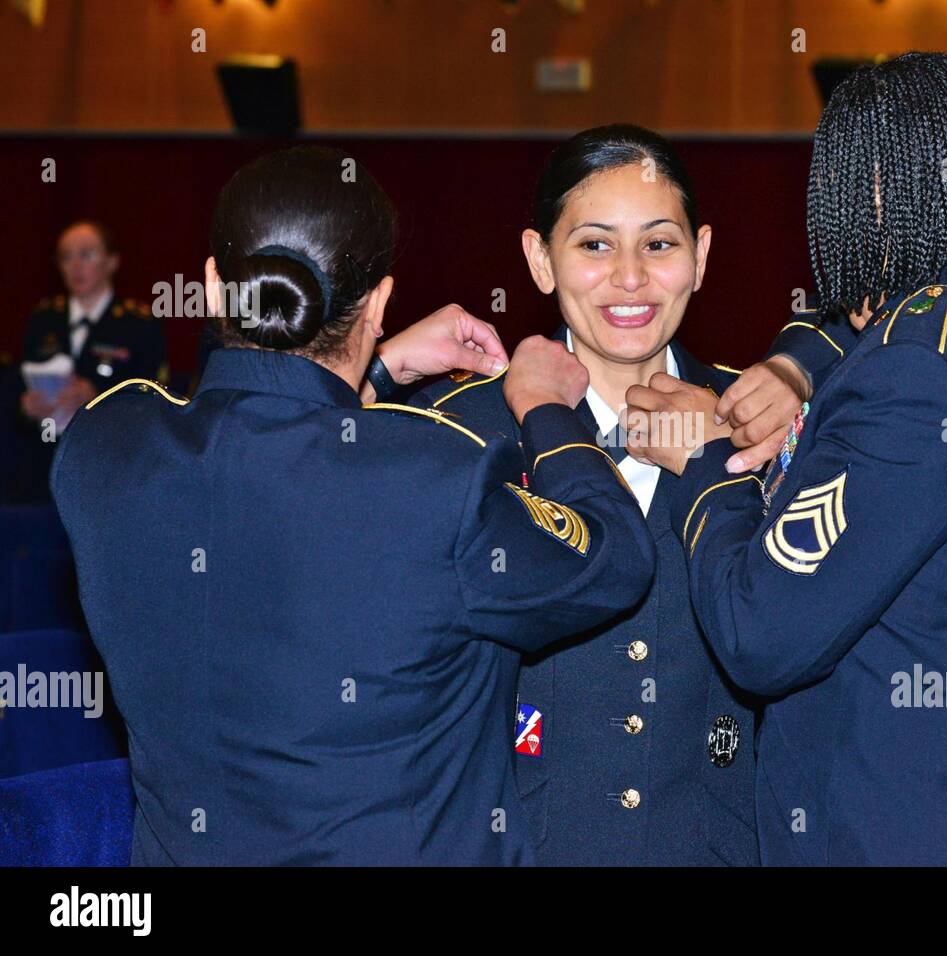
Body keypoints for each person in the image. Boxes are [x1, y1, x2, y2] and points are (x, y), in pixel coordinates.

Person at [50, 146, 655, 866]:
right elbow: (615, 559)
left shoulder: (102, 450)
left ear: (214, 286)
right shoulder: (441, 481)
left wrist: (377, 365)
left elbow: (275, 451)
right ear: (377, 300)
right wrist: (546, 410)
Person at [627, 53, 947, 865]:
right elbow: (868, 324)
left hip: (893, 821)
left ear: (873, 194)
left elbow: (761, 632)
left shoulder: (914, 372)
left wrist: (708, 462)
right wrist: (797, 368)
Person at [399, 125, 807, 865]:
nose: (629, 278)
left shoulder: (763, 424)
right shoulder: (463, 435)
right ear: (539, 259)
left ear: (701, 256)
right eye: (593, 245)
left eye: (658, 244)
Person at [14, 221, 165, 499]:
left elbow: (155, 402)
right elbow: (15, 393)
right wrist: (25, 407)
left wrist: (98, 396)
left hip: (111, 467)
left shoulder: (138, 324)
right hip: (45, 467)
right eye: (66, 256)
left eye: (87, 254)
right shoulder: (43, 319)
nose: (75, 265)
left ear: (112, 261)